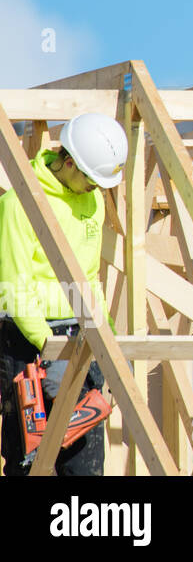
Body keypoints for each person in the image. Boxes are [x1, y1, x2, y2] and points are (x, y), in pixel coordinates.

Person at [0, 112, 125, 476]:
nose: (97, 188)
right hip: (26, 341)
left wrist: (108, 340)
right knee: (30, 464)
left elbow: (89, 278)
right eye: (91, 179)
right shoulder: (18, 204)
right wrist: (47, 347)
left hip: (76, 332)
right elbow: (13, 285)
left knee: (85, 467)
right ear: (68, 161)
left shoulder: (94, 201)